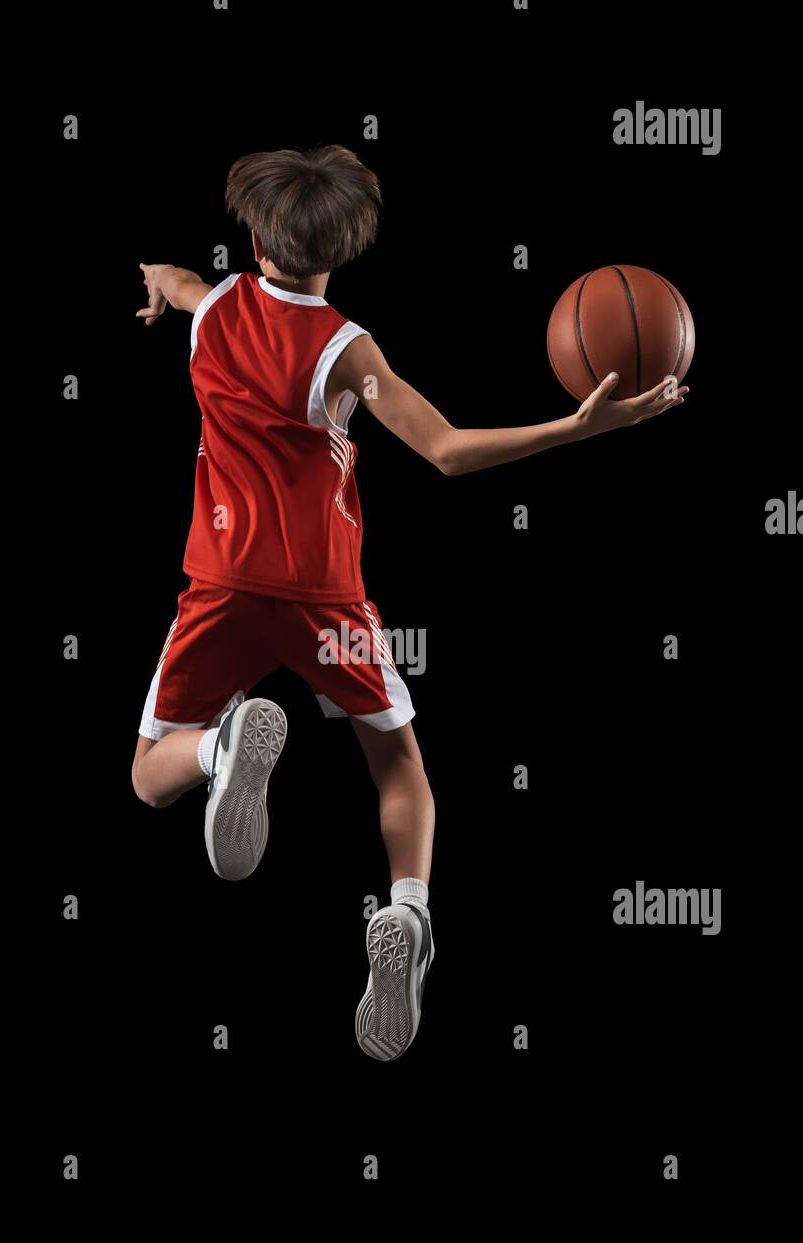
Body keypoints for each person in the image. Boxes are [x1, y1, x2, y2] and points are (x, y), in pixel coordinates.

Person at [131, 144, 688, 1062]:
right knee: (399, 772)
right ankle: (408, 915)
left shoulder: (217, 310)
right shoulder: (348, 352)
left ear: (257, 236)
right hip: (326, 600)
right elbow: (446, 450)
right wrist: (582, 427)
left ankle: (223, 745)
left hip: (221, 587)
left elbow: (188, 282)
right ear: (339, 251)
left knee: (152, 776)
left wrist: (159, 280)